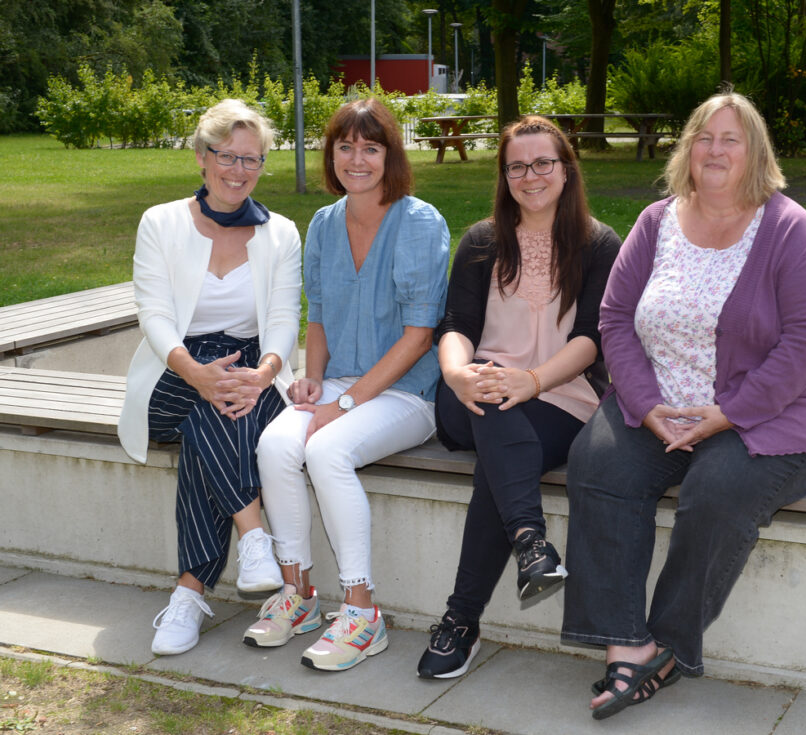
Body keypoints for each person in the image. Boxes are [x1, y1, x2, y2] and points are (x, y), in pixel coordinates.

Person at [560, 90, 806, 720]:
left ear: (755, 152)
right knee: (597, 466)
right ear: (687, 148)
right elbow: (614, 319)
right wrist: (643, 406)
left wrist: (728, 414)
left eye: (732, 139)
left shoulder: (788, 229)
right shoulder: (656, 222)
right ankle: (626, 642)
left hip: (776, 413)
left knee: (717, 492)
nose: (716, 150)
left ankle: (667, 645)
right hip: (660, 406)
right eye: (704, 136)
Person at [242, 98, 450, 672]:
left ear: (391, 155)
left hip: (407, 391)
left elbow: (417, 335)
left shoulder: (419, 222)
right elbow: (320, 315)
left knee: (326, 449)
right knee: (276, 444)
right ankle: (300, 595)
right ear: (331, 153)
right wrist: (313, 380)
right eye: (346, 146)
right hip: (338, 382)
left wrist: (347, 402)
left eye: (371, 147)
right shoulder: (327, 223)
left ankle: (361, 611)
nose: (357, 159)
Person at [415, 116, 620, 680]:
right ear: (504, 177)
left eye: (543, 163)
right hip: (470, 393)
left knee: (502, 456)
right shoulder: (483, 240)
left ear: (566, 169)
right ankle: (530, 543)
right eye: (516, 167)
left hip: (559, 399)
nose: (530, 176)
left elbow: (591, 339)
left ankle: (462, 619)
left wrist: (531, 382)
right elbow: (456, 323)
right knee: (494, 413)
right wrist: (458, 373)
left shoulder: (599, 244)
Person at [118, 99, 301, 656]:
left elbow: (282, 319)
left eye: (253, 160)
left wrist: (264, 372)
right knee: (208, 404)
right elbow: (154, 314)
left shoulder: (282, 232)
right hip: (172, 369)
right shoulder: (161, 221)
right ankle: (253, 533)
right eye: (227, 156)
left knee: (212, 420)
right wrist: (197, 373)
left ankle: (189, 592)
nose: (239, 171)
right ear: (202, 157)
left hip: (251, 368)